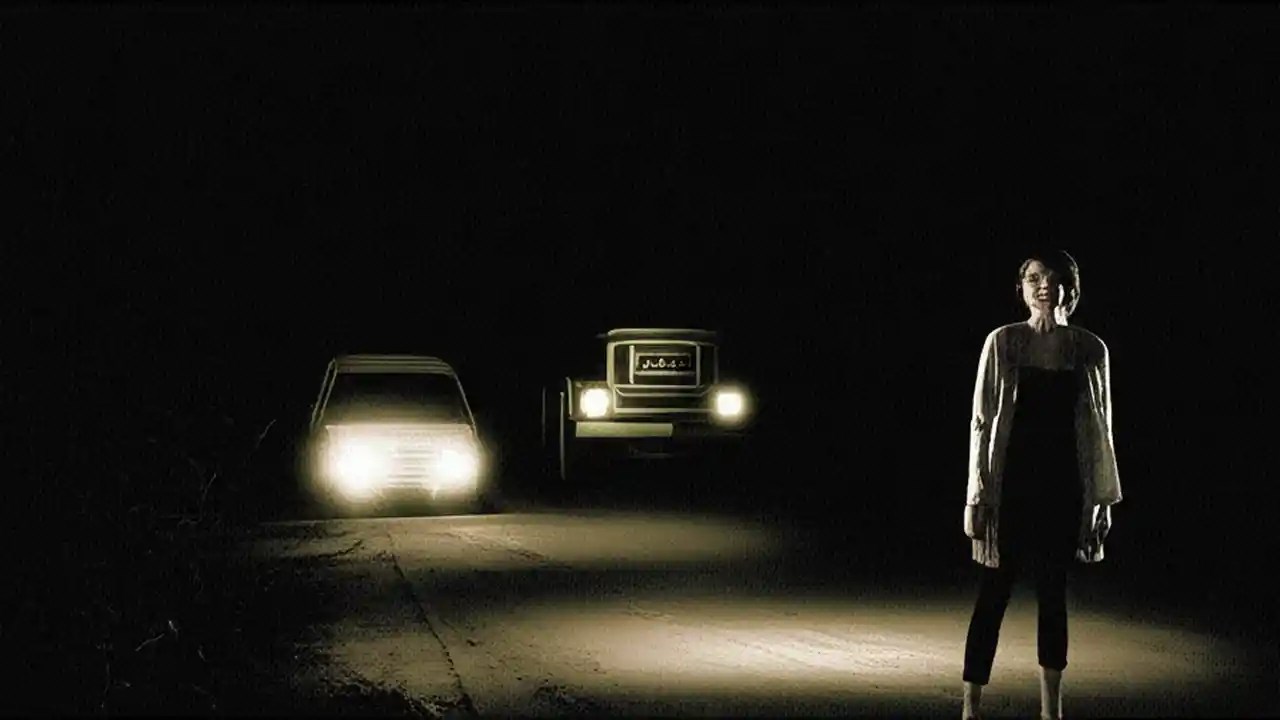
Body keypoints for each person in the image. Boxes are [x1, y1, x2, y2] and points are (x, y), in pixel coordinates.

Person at [960, 250, 1122, 720]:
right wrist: (977, 495)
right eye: (1033, 277)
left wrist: (1101, 498)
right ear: (1021, 287)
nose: (1043, 285)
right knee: (993, 593)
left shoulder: (1090, 349)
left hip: (1062, 487)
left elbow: (1099, 428)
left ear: (1070, 286)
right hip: (1011, 486)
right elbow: (982, 421)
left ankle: (1052, 709)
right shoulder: (1003, 342)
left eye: (1052, 277)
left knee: (1053, 594)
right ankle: (970, 706)